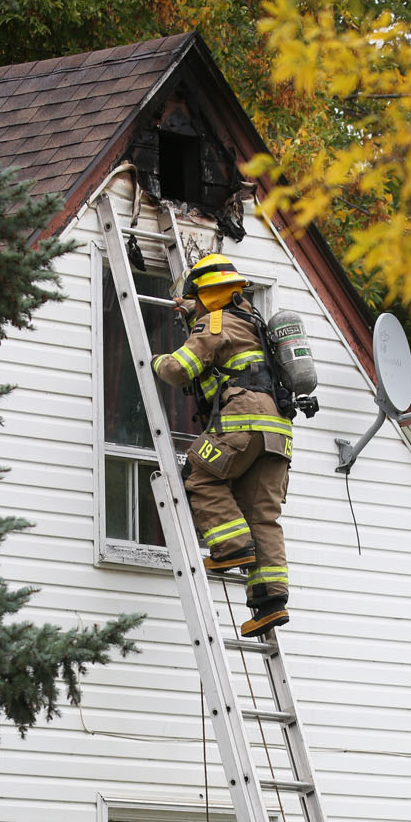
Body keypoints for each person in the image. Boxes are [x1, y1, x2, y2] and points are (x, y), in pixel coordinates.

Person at [151, 254, 293, 639]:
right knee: (262, 515)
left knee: (198, 475)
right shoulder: (254, 324)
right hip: (278, 433)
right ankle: (270, 602)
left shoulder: (216, 322)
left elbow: (181, 369)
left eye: (195, 299)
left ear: (206, 296)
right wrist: (188, 314)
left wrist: (156, 361)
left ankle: (230, 547)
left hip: (243, 420)